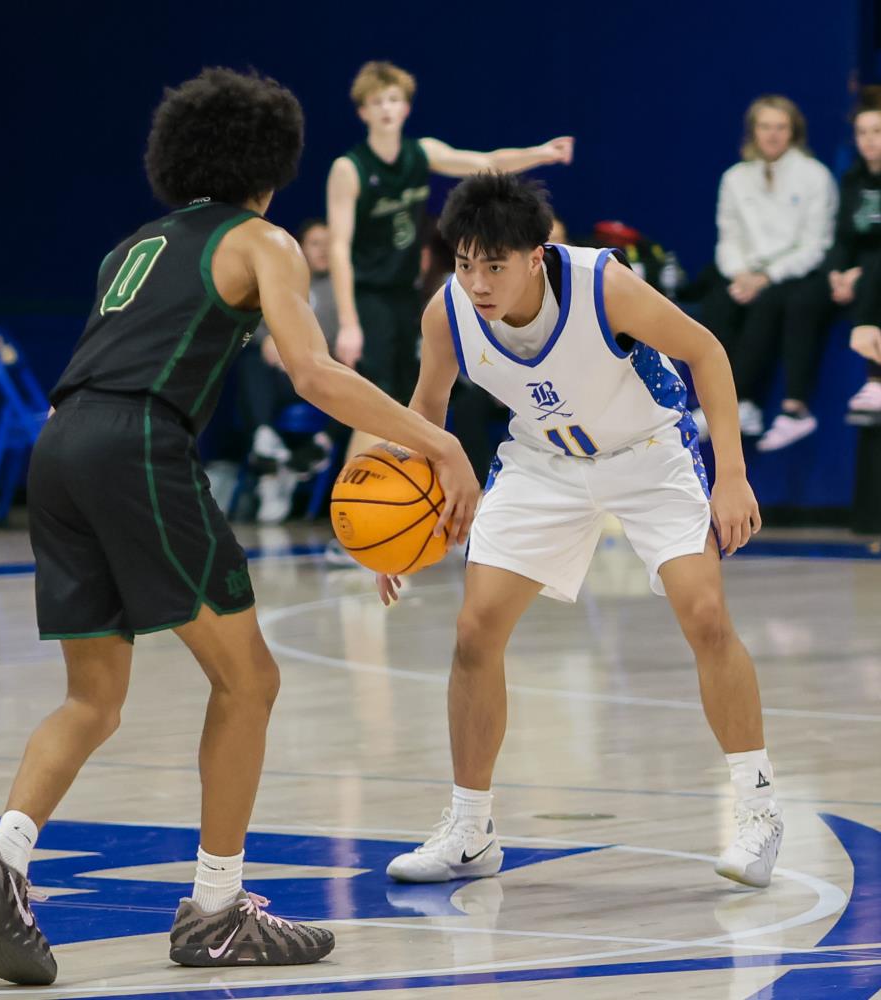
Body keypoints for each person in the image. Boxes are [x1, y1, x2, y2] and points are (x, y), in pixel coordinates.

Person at [0, 67, 479, 985]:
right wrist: (440, 441)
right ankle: (218, 910)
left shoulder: (131, 248)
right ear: (270, 163)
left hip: (60, 447)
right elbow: (312, 372)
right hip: (138, 446)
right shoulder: (263, 239)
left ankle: (3, 856)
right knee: (249, 679)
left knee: (93, 699)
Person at [379, 172, 783, 891]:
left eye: (494, 266)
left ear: (536, 256)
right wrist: (395, 536)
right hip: (543, 463)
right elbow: (427, 409)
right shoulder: (448, 313)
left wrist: (732, 474)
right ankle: (471, 833)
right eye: (465, 264)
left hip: (649, 452)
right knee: (474, 631)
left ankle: (758, 812)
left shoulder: (604, 285)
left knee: (705, 615)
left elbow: (708, 352)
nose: (477, 283)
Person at [323, 61, 572, 562]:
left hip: (405, 295)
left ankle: (402, 513)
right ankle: (353, 522)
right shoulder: (349, 169)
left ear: (406, 107)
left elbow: (486, 161)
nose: (387, 109)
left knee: (404, 407)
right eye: (377, 102)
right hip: (369, 296)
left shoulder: (422, 153)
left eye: (394, 100)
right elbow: (339, 248)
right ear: (363, 111)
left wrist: (540, 153)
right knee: (373, 405)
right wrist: (348, 321)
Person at [697, 95, 838, 450]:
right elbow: (728, 237)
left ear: (793, 132)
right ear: (753, 132)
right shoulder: (735, 178)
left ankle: (729, 403)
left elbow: (815, 244)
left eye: (780, 127)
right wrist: (740, 274)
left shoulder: (815, 176)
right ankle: (740, 405)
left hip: (791, 273)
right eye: (765, 127)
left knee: (770, 304)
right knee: (717, 304)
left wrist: (767, 277)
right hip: (744, 273)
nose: (772, 135)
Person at [238, 218, 337, 522]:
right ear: (301, 248)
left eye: (328, 244)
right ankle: (264, 440)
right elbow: (255, 326)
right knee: (252, 361)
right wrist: (269, 341)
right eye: (316, 244)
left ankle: (318, 447)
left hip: (324, 374)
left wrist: (307, 353)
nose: (323, 251)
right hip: (284, 375)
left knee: (361, 370)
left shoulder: (342, 287)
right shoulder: (284, 280)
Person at [798, 86, 881, 422]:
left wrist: (859, 273)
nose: (869, 140)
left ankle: (875, 378)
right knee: (803, 295)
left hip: (873, 269)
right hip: (857, 270)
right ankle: (795, 406)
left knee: (876, 265)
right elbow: (843, 238)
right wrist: (836, 274)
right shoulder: (852, 179)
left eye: (877, 131)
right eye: (862, 132)